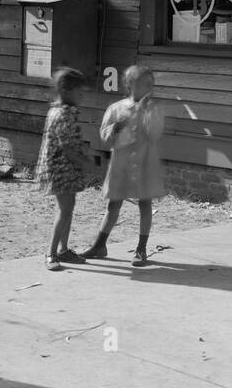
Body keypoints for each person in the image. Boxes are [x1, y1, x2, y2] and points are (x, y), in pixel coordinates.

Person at [82, 65, 165, 267]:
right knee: (114, 205)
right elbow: (104, 136)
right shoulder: (116, 108)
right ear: (130, 85)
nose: (149, 87)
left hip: (145, 162)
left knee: (145, 203)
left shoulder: (154, 109)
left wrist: (147, 114)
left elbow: (155, 134)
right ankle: (100, 245)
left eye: (151, 84)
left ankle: (141, 249)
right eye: (144, 84)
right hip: (121, 164)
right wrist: (115, 127)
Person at [35, 67, 91, 271]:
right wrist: (84, 161)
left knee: (68, 209)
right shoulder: (66, 113)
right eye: (79, 92)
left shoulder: (55, 110)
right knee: (65, 210)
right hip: (61, 168)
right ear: (67, 91)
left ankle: (64, 250)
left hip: (60, 168)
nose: (82, 96)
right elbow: (67, 145)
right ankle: (51, 253)